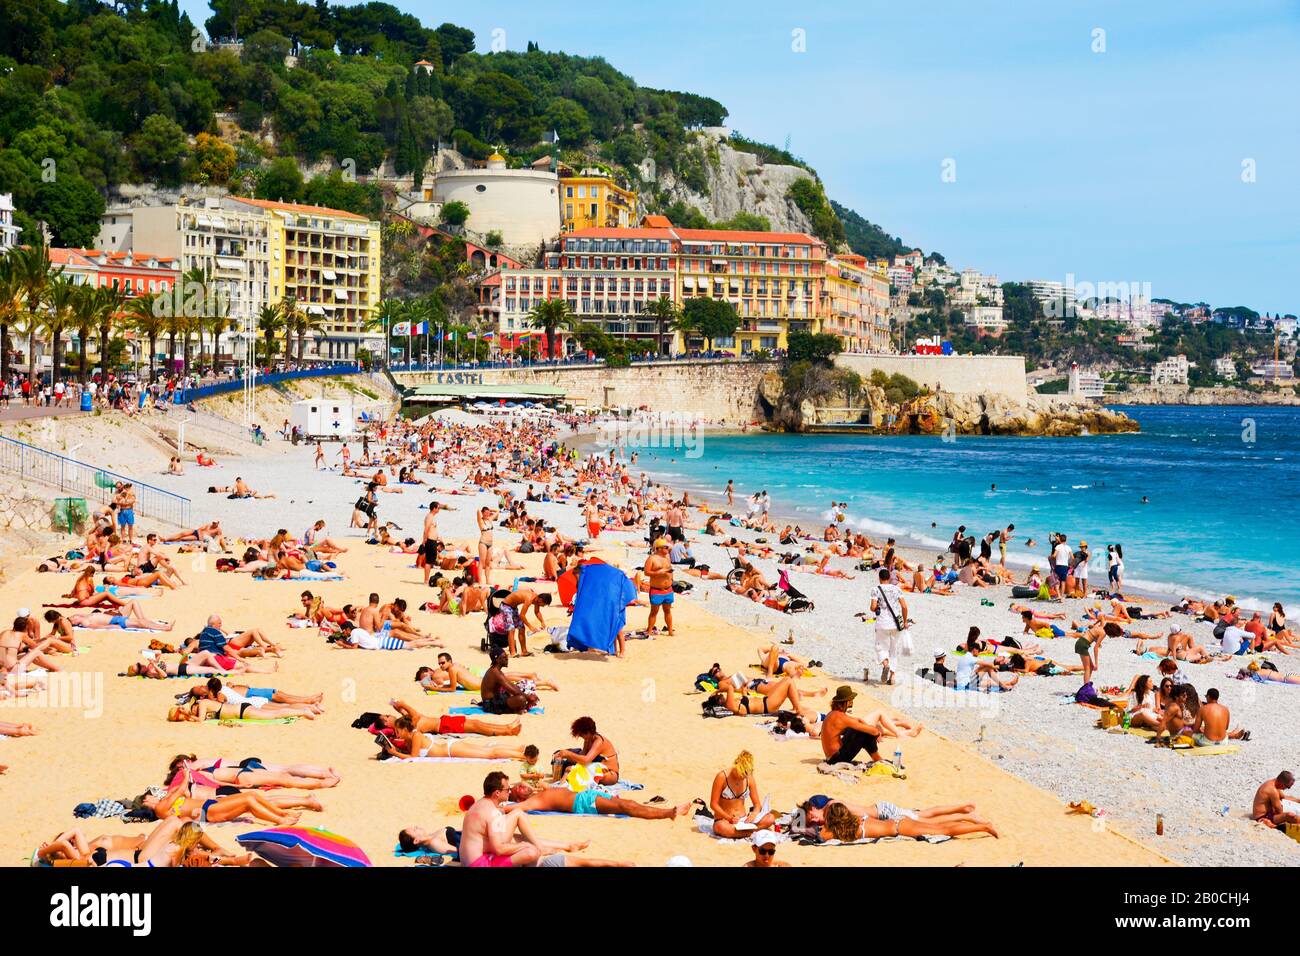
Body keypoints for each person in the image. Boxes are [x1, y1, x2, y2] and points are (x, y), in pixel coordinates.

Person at [819, 685, 921, 767]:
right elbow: (873, 731)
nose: (852, 702)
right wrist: (876, 733)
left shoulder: (833, 714)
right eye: (850, 700)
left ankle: (879, 758)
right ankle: (878, 760)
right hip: (836, 759)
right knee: (864, 732)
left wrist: (870, 728)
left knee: (862, 729)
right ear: (845, 702)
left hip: (832, 757)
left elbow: (857, 720)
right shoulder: (840, 717)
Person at [822, 799, 997, 842]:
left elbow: (822, 836)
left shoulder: (848, 832)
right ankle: (973, 820)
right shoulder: (857, 821)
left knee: (944, 830)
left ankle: (984, 827)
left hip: (901, 828)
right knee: (938, 825)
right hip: (898, 821)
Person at [709, 750, 776, 838]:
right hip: (725, 820)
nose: (743, 777)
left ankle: (744, 833)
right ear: (736, 766)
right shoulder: (722, 777)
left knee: (770, 818)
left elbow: (757, 804)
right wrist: (729, 818)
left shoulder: (749, 778)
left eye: (746, 774)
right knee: (721, 827)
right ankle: (752, 833)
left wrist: (754, 814)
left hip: (744, 820)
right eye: (741, 773)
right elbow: (713, 804)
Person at [551, 716, 620, 784]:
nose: (581, 736)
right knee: (565, 764)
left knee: (570, 770)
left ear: (588, 732)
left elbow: (585, 760)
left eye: (581, 734)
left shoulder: (598, 741)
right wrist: (565, 756)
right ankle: (560, 784)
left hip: (609, 774)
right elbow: (581, 757)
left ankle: (560, 786)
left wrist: (568, 754)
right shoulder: (588, 740)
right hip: (595, 768)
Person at [870, 567, 909, 685]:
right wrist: (905, 621)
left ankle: (886, 665)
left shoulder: (875, 589)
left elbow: (873, 607)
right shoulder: (897, 589)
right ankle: (892, 677)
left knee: (880, 647)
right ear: (890, 578)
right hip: (896, 624)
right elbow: (904, 607)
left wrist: (875, 608)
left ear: (879, 578)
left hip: (882, 623)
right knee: (893, 650)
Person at [644, 538, 675, 636]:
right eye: (665, 547)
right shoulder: (651, 559)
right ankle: (649, 631)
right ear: (658, 548)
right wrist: (658, 572)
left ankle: (670, 631)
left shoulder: (667, 558)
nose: (667, 549)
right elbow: (646, 572)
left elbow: (670, 570)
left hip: (668, 589)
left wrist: (672, 580)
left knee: (668, 610)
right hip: (657, 590)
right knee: (654, 611)